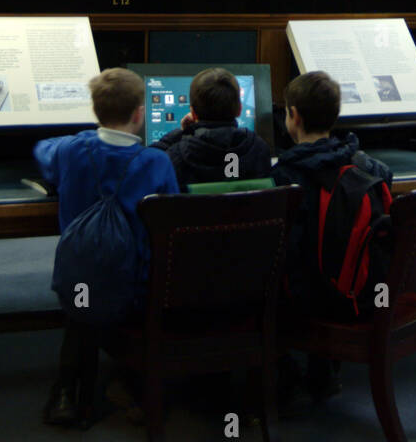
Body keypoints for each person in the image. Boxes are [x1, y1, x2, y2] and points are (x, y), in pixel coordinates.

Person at [34, 67, 178, 426]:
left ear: (95, 110)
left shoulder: (71, 151)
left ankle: (67, 395)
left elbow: (42, 150)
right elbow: (173, 213)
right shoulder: (156, 161)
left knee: (82, 310)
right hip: (135, 286)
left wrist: (82, 136)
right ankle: (130, 382)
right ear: (139, 114)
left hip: (78, 282)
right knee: (116, 295)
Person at [272, 70, 393, 399]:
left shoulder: (285, 174)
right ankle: (323, 371)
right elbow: (387, 180)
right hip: (360, 293)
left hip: (309, 299)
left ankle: (284, 380)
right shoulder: (363, 164)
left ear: (293, 116)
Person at [153, 67, 271, 190]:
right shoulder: (258, 149)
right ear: (240, 109)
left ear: (193, 113)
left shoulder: (176, 156)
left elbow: (149, 161)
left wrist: (183, 132)